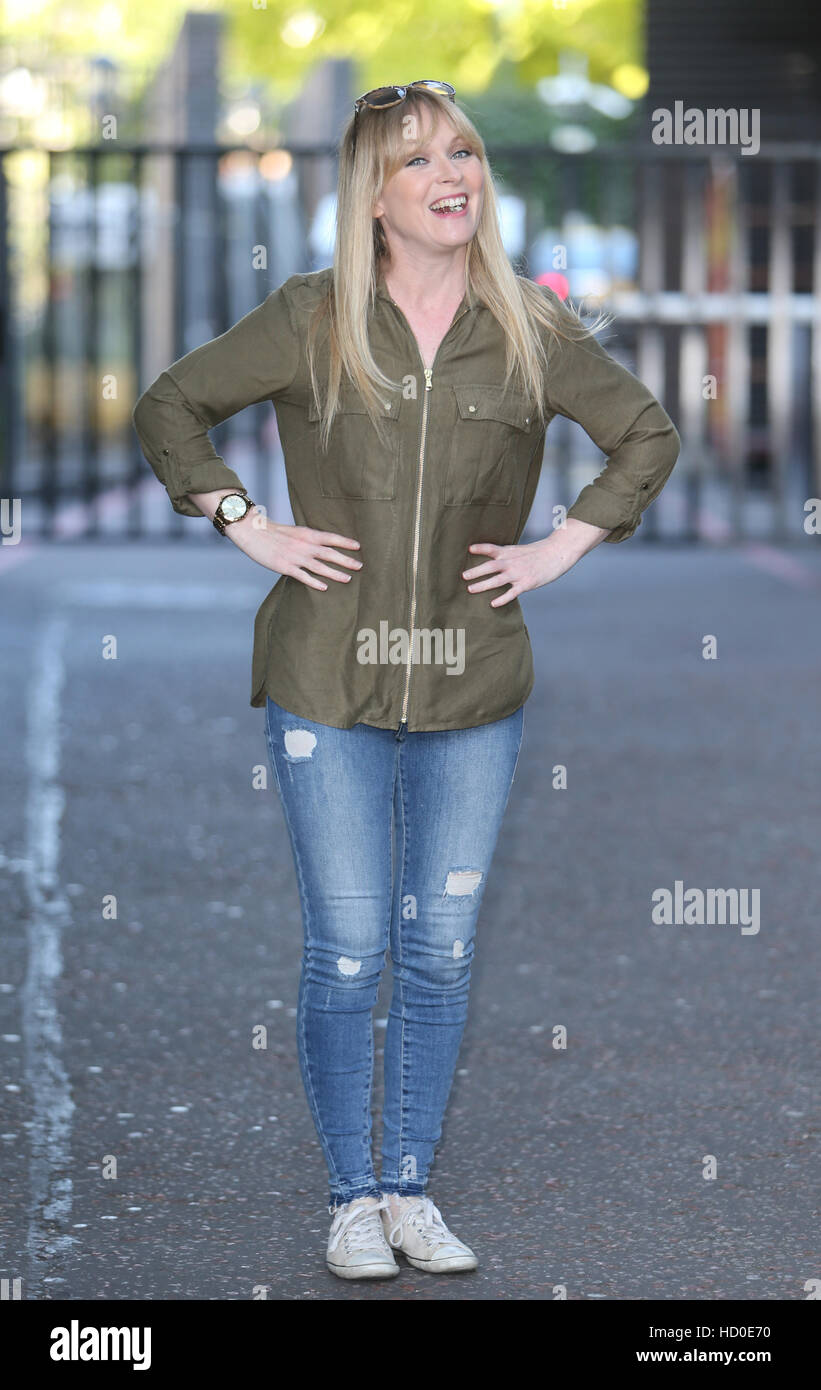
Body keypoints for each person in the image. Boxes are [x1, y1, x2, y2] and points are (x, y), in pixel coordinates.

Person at [132, 81, 681, 1281]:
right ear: (373, 197)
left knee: (436, 949)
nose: (452, 174)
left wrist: (560, 544)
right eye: (417, 158)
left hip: (473, 678)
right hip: (323, 676)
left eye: (465, 152)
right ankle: (346, 1198)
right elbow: (171, 405)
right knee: (346, 949)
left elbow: (644, 433)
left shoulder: (532, 330)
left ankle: (407, 1191)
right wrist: (244, 521)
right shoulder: (309, 316)